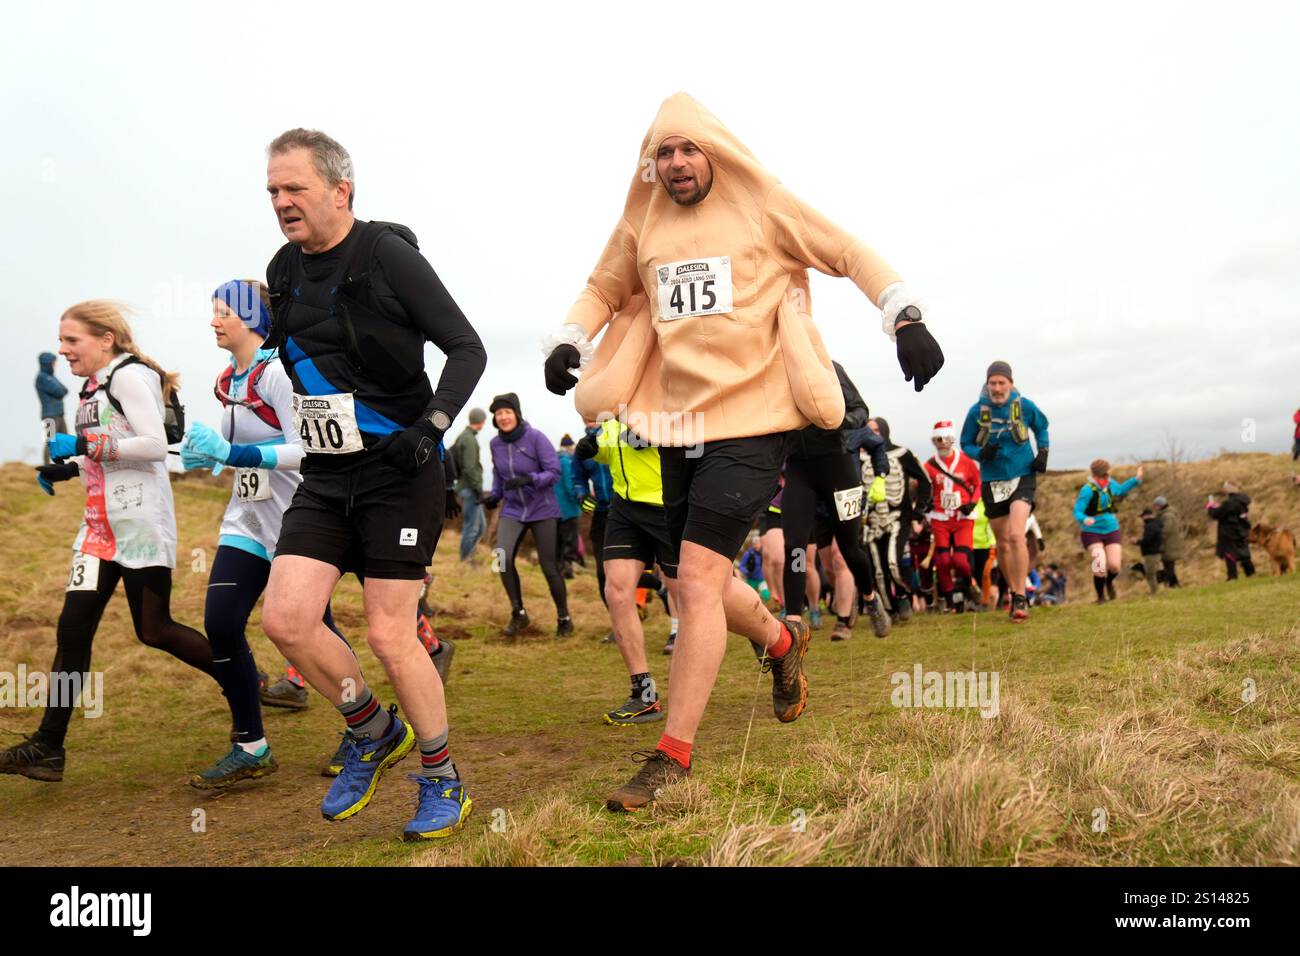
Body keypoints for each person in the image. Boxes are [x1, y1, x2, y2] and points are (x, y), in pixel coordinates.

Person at [542, 94, 944, 810]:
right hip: (675, 424)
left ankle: (672, 757)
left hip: (756, 419)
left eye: (688, 150)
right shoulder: (644, 218)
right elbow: (607, 284)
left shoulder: (764, 203)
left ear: (714, 153)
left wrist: (903, 316)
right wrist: (571, 339)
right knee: (691, 577)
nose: (675, 164)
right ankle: (782, 642)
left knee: (695, 579)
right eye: (663, 153)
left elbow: (848, 252)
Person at [258, 128, 485, 841]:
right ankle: (371, 729)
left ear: (340, 190)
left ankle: (443, 779)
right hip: (328, 475)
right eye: (272, 191)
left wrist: (433, 427)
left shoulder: (388, 255)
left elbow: (467, 347)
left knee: (391, 634)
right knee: (286, 620)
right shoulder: (282, 269)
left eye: (294, 188)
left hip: (400, 472)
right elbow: (296, 357)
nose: (282, 203)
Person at [3, 302, 221, 783]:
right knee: (72, 633)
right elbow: (108, 447)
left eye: (72, 340)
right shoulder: (92, 387)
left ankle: (245, 682)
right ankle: (48, 747)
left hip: (141, 526)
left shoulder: (129, 377)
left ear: (105, 339)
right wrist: (67, 467)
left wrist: (82, 446)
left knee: (155, 630)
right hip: (98, 529)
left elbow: (153, 445)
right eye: (61, 340)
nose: (63, 350)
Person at [575, 418, 679, 722]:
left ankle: (773, 637)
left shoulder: (654, 385)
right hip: (625, 508)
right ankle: (644, 694)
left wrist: (657, 434)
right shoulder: (611, 399)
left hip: (668, 505)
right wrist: (597, 449)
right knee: (617, 591)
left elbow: (695, 438)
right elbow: (617, 448)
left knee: (697, 595)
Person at [781, 361, 893, 640]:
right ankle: (794, 622)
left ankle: (870, 598)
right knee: (794, 546)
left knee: (849, 549)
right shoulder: (771, 367)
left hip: (838, 466)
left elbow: (860, 411)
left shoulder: (827, 367)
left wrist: (837, 421)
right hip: (798, 469)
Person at [960, 361, 1049, 622]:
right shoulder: (977, 411)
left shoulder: (1024, 406)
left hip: (1022, 474)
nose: (997, 388)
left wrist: (1043, 451)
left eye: (1002, 383)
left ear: (1010, 383)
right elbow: (965, 442)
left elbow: (1042, 426)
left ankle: (1020, 597)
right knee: (1002, 542)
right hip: (992, 479)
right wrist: (980, 453)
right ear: (987, 385)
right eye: (993, 383)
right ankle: (1013, 591)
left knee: (1015, 535)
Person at [483, 393, 572, 636]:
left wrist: (529, 479)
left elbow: (554, 472)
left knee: (548, 565)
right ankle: (518, 613)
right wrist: (494, 494)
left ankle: (564, 617)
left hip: (542, 508)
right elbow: (499, 473)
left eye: (507, 412)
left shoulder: (536, 438)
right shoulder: (495, 444)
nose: (502, 417)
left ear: (517, 414)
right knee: (501, 558)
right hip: (512, 509)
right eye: (498, 413)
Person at [863, 416, 930, 621]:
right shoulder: (858, 459)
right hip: (871, 521)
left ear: (884, 431)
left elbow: (925, 481)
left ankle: (903, 595)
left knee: (893, 561)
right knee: (878, 570)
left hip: (898, 519)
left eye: (874, 430)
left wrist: (918, 511)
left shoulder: (903, 454)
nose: (870, 434)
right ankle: (888, 610)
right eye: (867, 431)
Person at [922, 421, 982, 612]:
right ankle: (949, 598)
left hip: (962, 518)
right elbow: (923, 488)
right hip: (940, 518)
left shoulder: (966, 461)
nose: (942, 442)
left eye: (946, 438)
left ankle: (969, 583)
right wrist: (926, 504)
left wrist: (971, 503)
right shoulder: (929, 465)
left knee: (960, 561)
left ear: (952, 439)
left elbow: (978, 484)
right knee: (943, 562)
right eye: (938, 439)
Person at [1072, 459, 1143, 603]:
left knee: (1115, 566)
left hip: (1111, 528)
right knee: (1099, 562)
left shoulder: (1110, 484)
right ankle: (1100, 597)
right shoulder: (1087, 490)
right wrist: (1084, 519)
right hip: (1091, 531)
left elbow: (1121, 489)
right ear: (1100, 474)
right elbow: (1077, 511)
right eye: (1107, 473)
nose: (1109, 476)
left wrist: (1136, 480)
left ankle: (1109, 583)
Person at [450, 408, 488, 563]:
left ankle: (469, 556)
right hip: (470, 488)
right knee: (472, 528)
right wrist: (477, 487)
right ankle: (466, 561)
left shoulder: (465, 437)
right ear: (480, 421)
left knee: (480, 527)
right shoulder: (469, 439)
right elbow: (470, 467)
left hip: (468, 487)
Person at [1207, 480, 1254, 580]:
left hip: (1229, 532)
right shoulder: (1242, 500)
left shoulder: (1229, 503)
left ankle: (1232, 576)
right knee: (1244, 552)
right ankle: (1250, 573)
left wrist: (1210, 507)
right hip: (1242, 529)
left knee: (1230, 554)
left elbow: (1215, 514)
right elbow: (1230, 512)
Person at [554, 434, 583, 578]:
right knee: (570, 541)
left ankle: (558, 568)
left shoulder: (554, 460)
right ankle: (567, 569)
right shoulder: (566, 462)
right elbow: (569, 485)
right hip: (569, 508)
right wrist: (579, 500)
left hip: (556, 509)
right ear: (570, 447)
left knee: (559, 540)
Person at [36, 352, 69, 464]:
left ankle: (62, 464)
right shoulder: (42, 378)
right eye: (53, 363)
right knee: (50, 440)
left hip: (59, 414)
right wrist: (60, 390)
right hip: (49, 415)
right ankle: (46, 465)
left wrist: (61, 390)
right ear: (47, 363)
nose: (55, 365)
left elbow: (65, 389)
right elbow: (60, 391)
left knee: (64, 439)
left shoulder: (51, 377)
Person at [1153, 495, 1184, 587]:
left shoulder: (1168, 516)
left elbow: (1166, 531)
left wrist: (1156, 537)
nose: (1154, 507)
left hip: (1169, 546)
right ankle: (1174, 585)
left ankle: (1165, 581)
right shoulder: (1165, 515)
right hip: (1169, 545)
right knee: (1169, 566)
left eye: (1155, 505)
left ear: (1160, 505)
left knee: (1169, 567)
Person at [969, 499, 994, 610]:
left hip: (984, 546)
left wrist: (992, 542)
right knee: (969, 573)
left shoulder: (986, 503)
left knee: (983, 575)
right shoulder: (967, 500)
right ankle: (972, 600)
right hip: (968, 545)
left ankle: (983, 602)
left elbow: (990, 525)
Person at [1134, 506, 1164, 596]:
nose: (1142, 518)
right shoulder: (1156, 524)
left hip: (1151, 553)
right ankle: (1155, 590)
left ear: (1147, 516)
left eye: (1143, 516)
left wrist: (1137, 541)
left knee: (1150, 573)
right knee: (1151, 572)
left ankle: (1154, 592)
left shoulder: (1150, 526)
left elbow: (1147, 540)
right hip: (1155, 552)